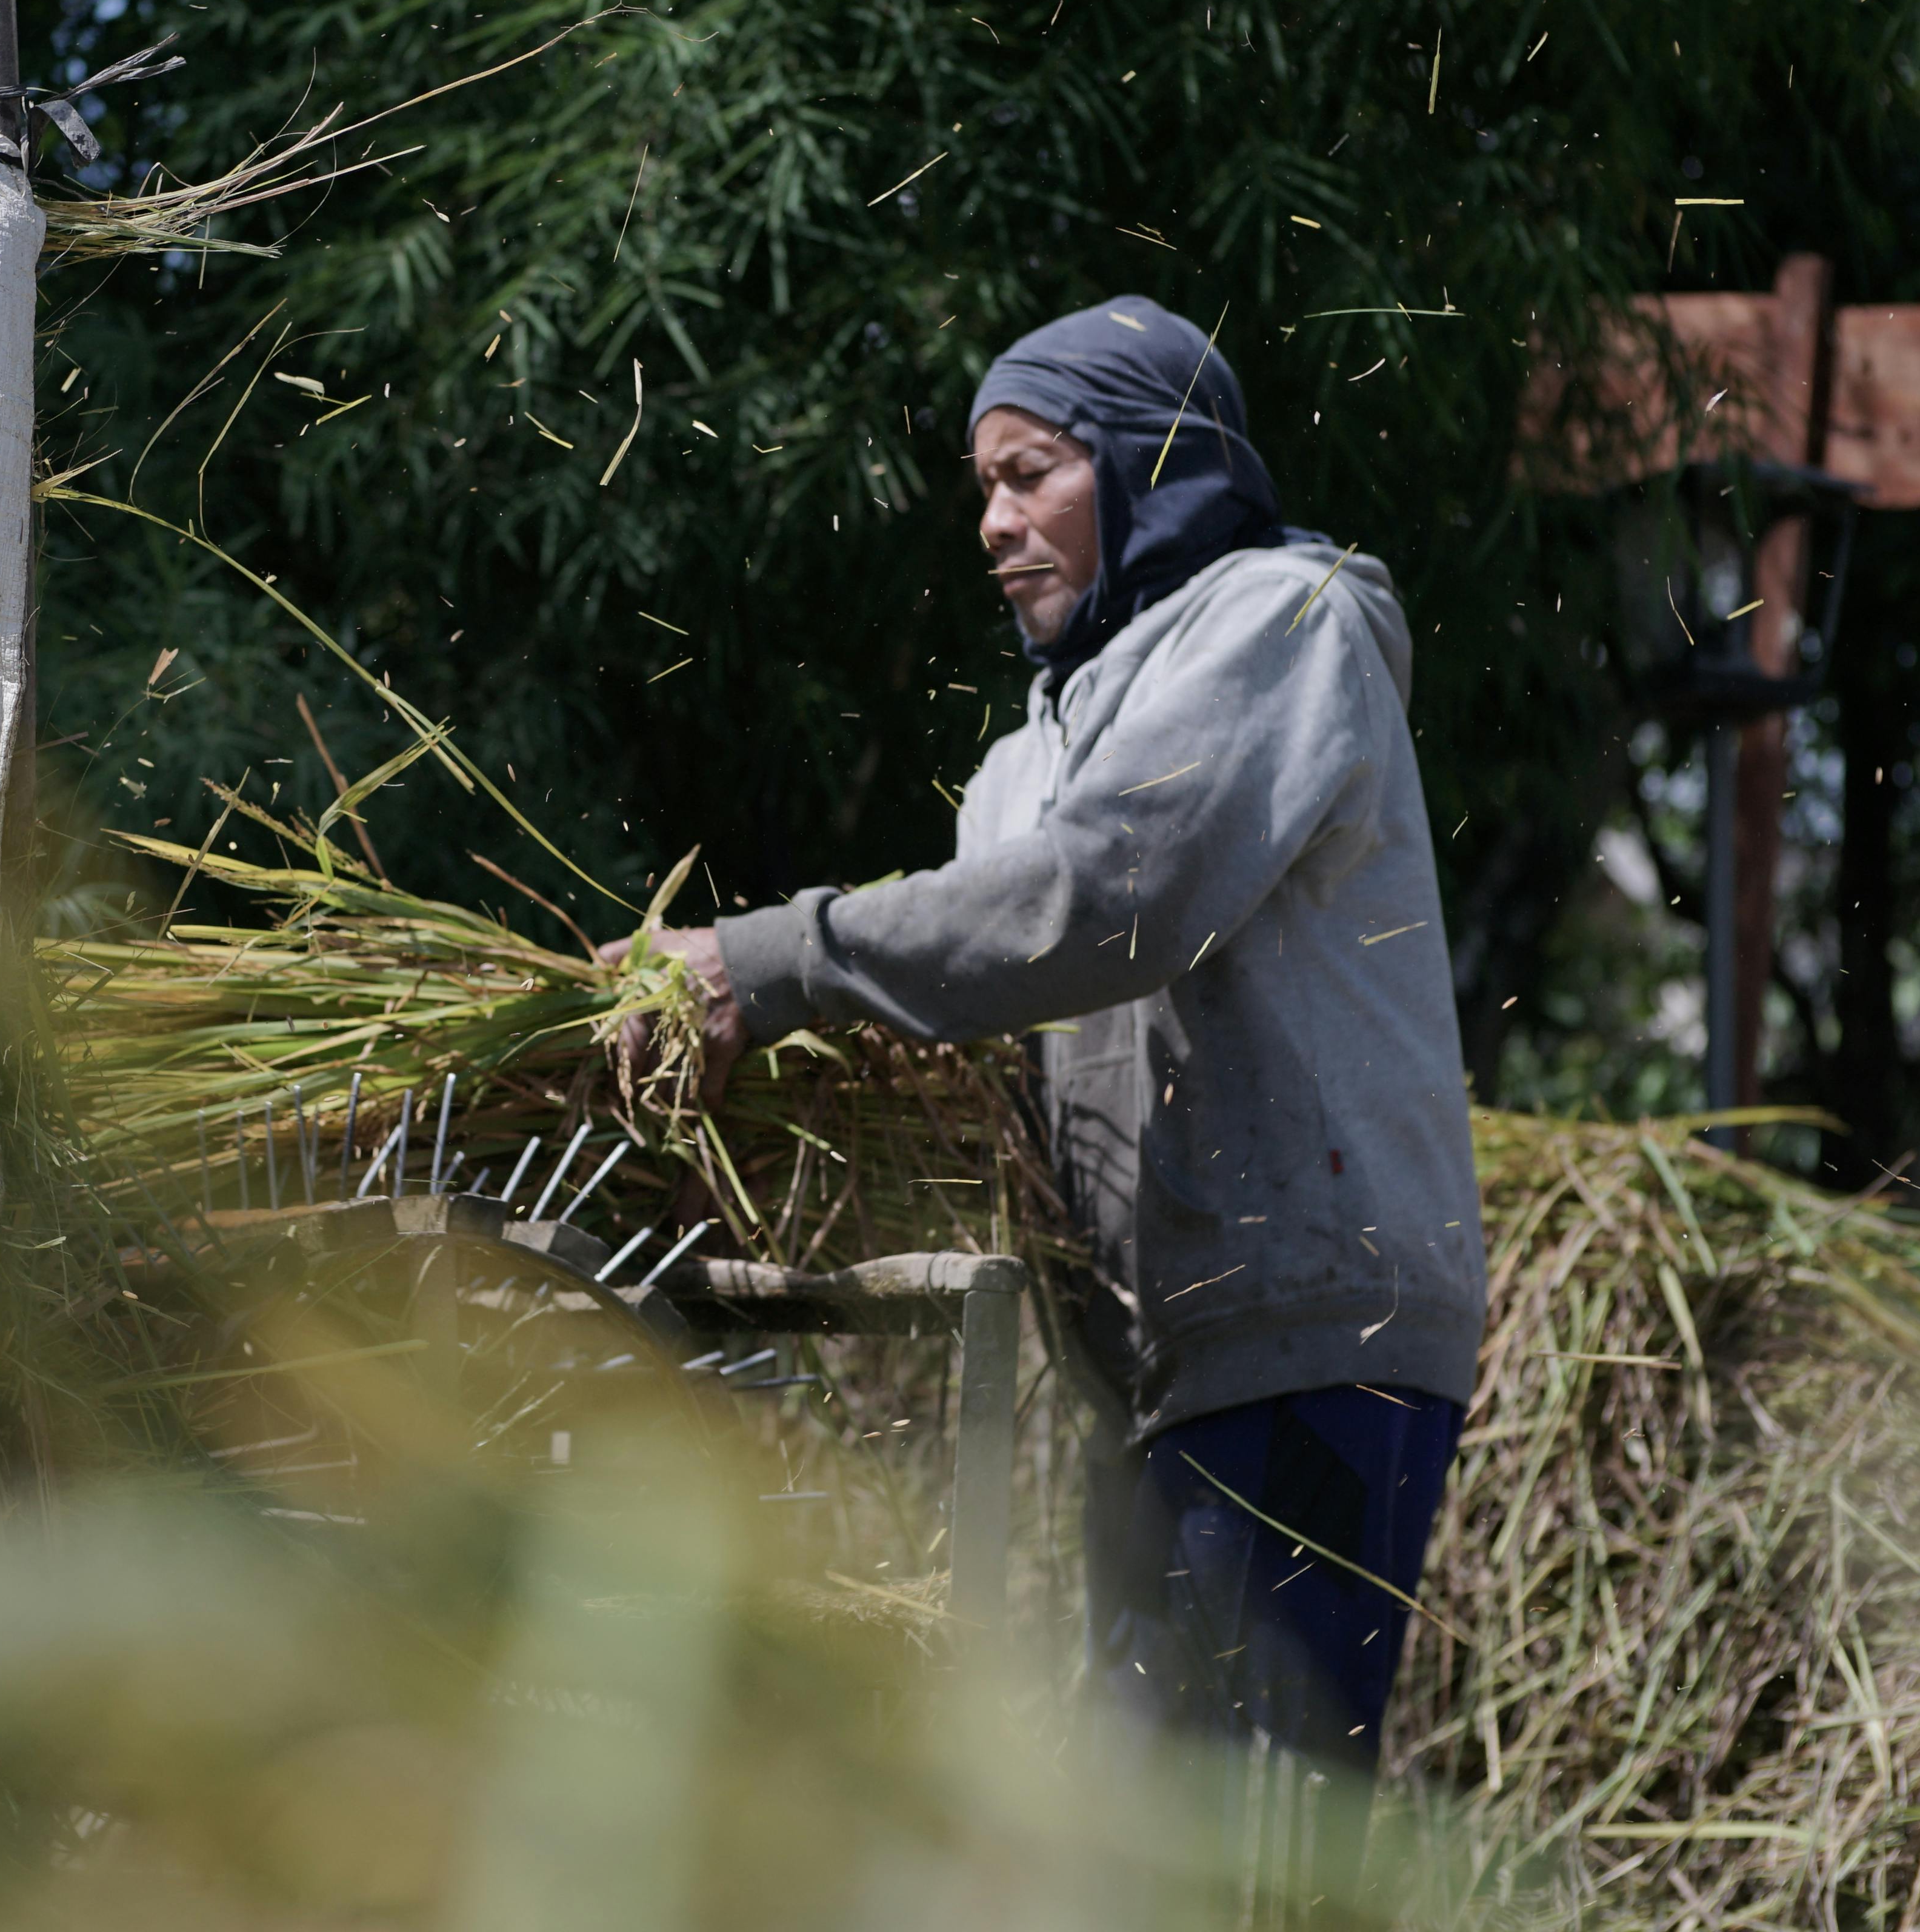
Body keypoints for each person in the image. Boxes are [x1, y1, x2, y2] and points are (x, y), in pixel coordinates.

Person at [611, 295, 1484, 1848]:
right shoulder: (1031, 749)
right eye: (985, 493)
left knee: (1246, 1852)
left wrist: (770, 959)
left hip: (1309, 1325)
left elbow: (1102, 898)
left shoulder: (1286, 621)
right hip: (1150, 1360)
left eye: (1032, 474)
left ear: (1153, 462)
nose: (998, 526)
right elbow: (971, 984)